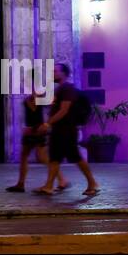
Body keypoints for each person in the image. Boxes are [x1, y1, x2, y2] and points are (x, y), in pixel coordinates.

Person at [34, 63, 99, 197]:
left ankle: (93, 183)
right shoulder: (60, 89)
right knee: (54, 158)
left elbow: (64, 110)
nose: (52, 73)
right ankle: (48, 186)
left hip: (66, 130)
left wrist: (47, 123)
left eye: (55, 71)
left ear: (63, 73)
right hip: (59, 130)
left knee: (76, 157)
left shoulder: (67, 89)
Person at [6, 92, 68, 192]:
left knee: (42, 157)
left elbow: (54, 108)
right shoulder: (28, 99)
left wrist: (47, 125)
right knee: (25, 156)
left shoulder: (41, 100)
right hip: (30, 131)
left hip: (38, 131)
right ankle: (21, 184)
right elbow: (25, 115)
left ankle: (62, 180)